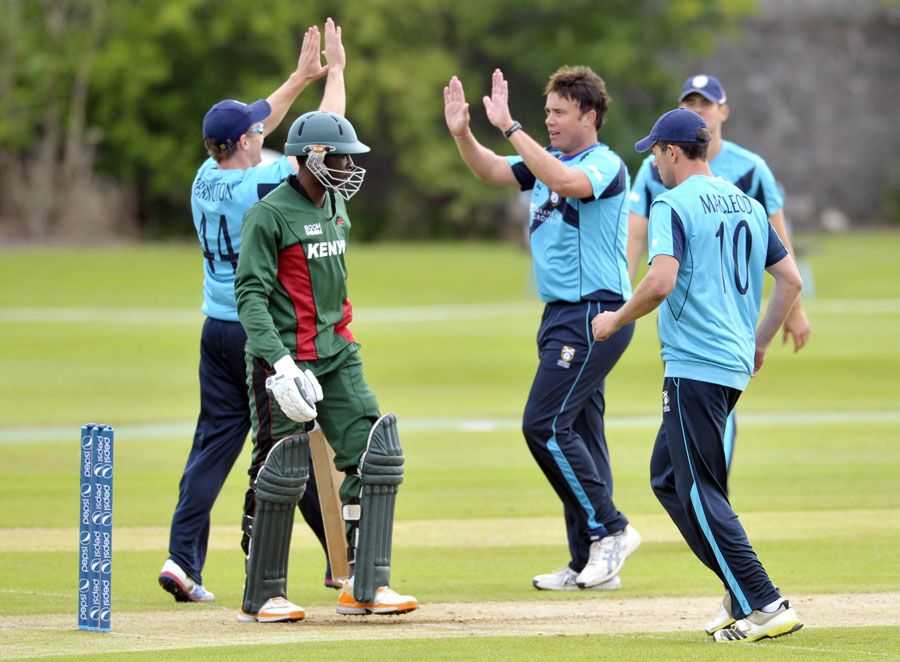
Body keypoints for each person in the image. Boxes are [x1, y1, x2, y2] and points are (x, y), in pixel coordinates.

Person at [591, 108, 804, 643]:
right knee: (668, 479)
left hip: (695, 364)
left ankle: (763, 602)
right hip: (730, 363)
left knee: (700, 489)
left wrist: (615, 318)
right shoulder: (747, 203)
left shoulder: (673, 203)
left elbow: (661, 281)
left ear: (671, 151)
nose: (654, 164)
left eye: (655, 153)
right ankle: (739, 594)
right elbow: (790, 280)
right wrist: (757, 343)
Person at [158, 19, 345, 603]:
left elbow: (258, 114)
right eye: (254, 128)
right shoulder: (262, 184)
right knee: (295, 440)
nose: (262, 126)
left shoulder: (204, 177)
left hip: (213, 327)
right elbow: (325, 144)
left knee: (213, 443)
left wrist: (297, 77)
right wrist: (334, 76)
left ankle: (181, 559)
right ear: (246, 142)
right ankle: (343, 559)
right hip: (258, 332)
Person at [443, 67, 640, 592]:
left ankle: (612, 531)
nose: (548, 120)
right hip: (560, 313)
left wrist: (510, 128)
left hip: (594, 311)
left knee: (545, 426)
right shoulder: (547, 160)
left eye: (558, 112)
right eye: (546, 112)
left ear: (589, 116)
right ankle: (588, 564)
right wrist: (464, 134)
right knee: (579, 433)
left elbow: (564, 182)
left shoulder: (604, 164)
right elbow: (489, 172)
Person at [233, 109, 418, 622]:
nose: (348, 166)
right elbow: (249, 294)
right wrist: (279, 362)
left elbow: (333, 284)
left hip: (338, 354)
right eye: (338, 157)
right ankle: (261, 593)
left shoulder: (337, 204)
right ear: (309, 159)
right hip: (285, 362)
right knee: (281, 470)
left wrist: (341, 335)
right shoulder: (268, 215)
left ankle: (365, 582)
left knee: (372, 455)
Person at [626, 74, 811, 472]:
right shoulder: (653, 168)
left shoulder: (749, 169)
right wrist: (625, 290)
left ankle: (713, 508)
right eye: (688, 104)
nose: (696, 111)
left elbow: (778, 237)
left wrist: (792, 312)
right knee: (675, 460)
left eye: (704, 104)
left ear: (722, 112)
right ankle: (708, 507)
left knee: (700, 442)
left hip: (712, 323)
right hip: (694, 321)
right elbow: (636, 230)